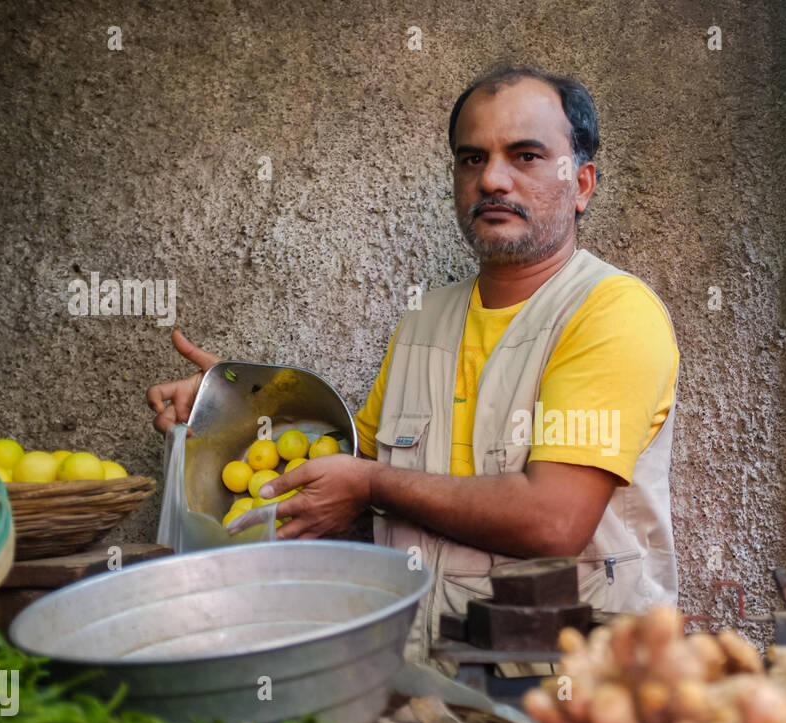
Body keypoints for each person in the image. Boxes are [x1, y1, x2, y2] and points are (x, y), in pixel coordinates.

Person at [147, 65, 680, 664]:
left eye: (526, 156)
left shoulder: (610, 313)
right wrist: (238, 407)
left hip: (568, 690)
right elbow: (350, 466)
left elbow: (552, 522)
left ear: (581, 184)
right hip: (421, 673)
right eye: (471, 159)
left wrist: (372, 484)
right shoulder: (427, 319)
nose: (493, 180)